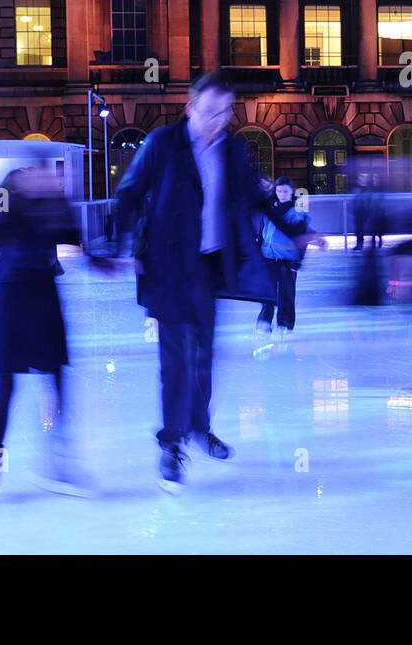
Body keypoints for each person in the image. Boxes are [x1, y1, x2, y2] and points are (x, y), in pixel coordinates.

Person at [111, 72, 315, 492]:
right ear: (190, 108)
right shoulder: (163, 144)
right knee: (175, 361)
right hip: (167, 268)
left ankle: (199, 428)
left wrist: (295, 232)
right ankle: (171, 443)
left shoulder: (231, 150)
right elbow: (129, 194)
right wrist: (120, 247)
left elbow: (261, 197)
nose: (218, 120)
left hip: (207, 268)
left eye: (225, 112)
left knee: (204, 355)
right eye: (210, 111)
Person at [0, 164, 90, 495]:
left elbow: (71, 237)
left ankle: (60, 455)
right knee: (5, 387)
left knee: (56, 378)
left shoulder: (52, 205)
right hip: (11, 297)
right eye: (32, 174)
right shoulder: (8, 202)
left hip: (43, 298)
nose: (43, 177)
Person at [257, 178, 324, 340]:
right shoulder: (270, 209)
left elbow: (303, 239)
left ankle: (285, 324)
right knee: (267, 292)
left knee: (286, 293)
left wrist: (298, 260)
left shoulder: (298, 212)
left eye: (285, 191)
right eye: (279, 191)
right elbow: (261, 233)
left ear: (292, 191)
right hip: (268, 258)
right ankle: (264, 322)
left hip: (288, 260)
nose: (282, 194)